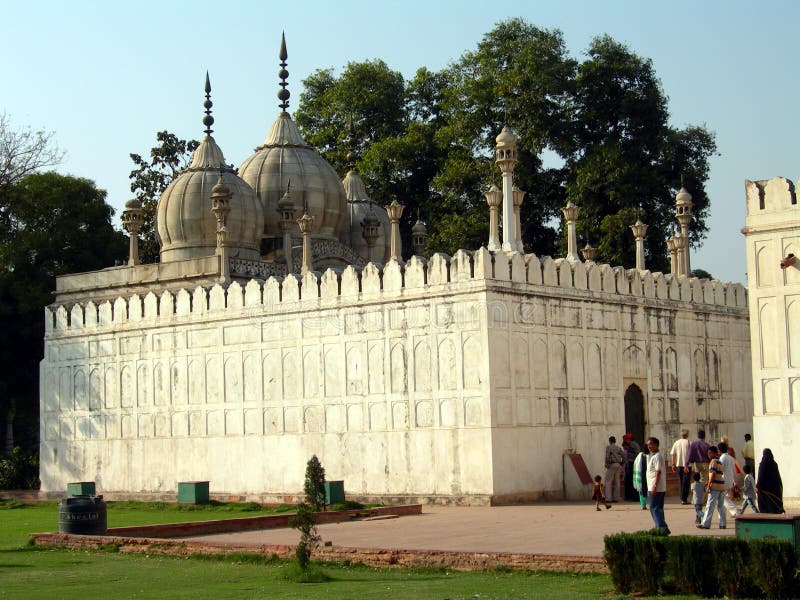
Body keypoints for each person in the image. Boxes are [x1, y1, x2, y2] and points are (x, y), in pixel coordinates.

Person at [698, 445, 727, 530]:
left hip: (715, 486)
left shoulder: (713, 462)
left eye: (710, 453)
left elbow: (713, 474)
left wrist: (709, 485)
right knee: (721, 506)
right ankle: (722, 524)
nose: (709, 454)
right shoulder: (719, 462)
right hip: (721, 485)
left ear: (714, 453)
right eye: (708, 453)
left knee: (710, 505)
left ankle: (705, 524)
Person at [645, 437, 670, 534]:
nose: (649, 446)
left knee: (654, 507)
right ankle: (661, 527)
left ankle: (662, 528)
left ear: (656, 445)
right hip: (656, 486)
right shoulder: (653, 456)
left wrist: (654, 486)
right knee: (658, 508)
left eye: (651, 444)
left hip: (656, 487)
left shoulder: (657, 456)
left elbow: (658, 471)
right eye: (648, 445)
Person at [756, 448, 785, 514]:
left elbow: (760, 476)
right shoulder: (774, 464)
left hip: (765, 489)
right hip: (774, 489)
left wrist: (758, 486)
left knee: (766, 506)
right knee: (774, 505)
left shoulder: (762, 464)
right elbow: (778, 477)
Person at [717, 442, 739, 518]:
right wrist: (734, 481)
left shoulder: (722, 458)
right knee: (722, 498)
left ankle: (735, 510)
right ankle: (722, 516)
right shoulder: (731, 458)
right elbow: (734, 471)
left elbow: (720, 470)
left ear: (719, 450)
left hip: (724, 481)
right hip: (730, 480)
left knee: (721, 497)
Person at [670, 429, 691, 504]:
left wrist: (673, 464)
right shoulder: (689, 442)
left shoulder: (676, 443)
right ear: (687, 435)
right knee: (686, 482)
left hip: (679, 465)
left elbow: (673, 454)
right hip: (687, 465)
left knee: (681, 481)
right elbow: (690, 454)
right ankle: (684, 498)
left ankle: (682, 498)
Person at [604, 436, 625, 502]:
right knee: (617, 481)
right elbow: (623, 456)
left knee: (608, 481)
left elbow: (607, 456)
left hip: (611, 464)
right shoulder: (618, 448)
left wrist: (607, 464)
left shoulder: (608, 447)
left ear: (610, 441)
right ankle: (616, 498)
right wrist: (622, 463)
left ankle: (608, 498)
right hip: (618, 464)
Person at [622, 434, 641, 501]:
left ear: (629, 439)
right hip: (633, 463)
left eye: (626, 440)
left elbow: (631, 455)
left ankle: (634, 497)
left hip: (632, 463)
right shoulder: (635, 444)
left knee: (631, 481)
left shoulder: (632, 445)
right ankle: (632, 496)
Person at [632, 444, 649, 510]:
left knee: (642, 490)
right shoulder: (649, 456)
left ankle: (643, 505)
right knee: (644, 489)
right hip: (645, 474)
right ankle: (644, 504)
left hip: (642, 474)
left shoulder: (639, 456)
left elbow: (635, 465)